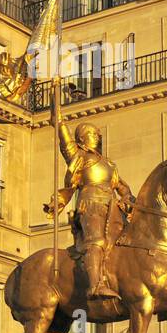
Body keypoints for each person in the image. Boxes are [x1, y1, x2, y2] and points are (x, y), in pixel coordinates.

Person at [44, 100, 133, 300]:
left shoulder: (109, 163)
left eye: (98, 135)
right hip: (90, 205)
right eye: (93, 134)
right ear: (83, 139)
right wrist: (58, 119)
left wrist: (127, 198)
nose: (97, 138)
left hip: (112, 207)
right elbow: (64, 141)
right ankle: (95, 285)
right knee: (96, 241)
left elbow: (122, 186)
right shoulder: (80, 156)